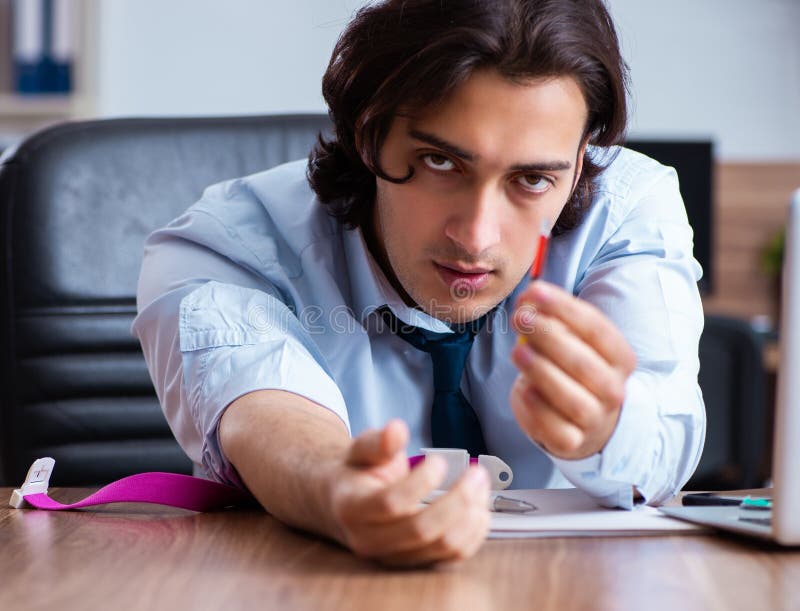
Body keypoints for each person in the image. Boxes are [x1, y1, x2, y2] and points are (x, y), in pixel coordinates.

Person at [133, 0, 705, 567]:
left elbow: (663, 436)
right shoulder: (228, 246)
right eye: (439, 162)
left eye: (531, 179)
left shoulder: (626, 209)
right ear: (368, 134)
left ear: (579, 164)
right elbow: (268, 416)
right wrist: (341, 491)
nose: (477, 238)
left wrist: (609, 428)